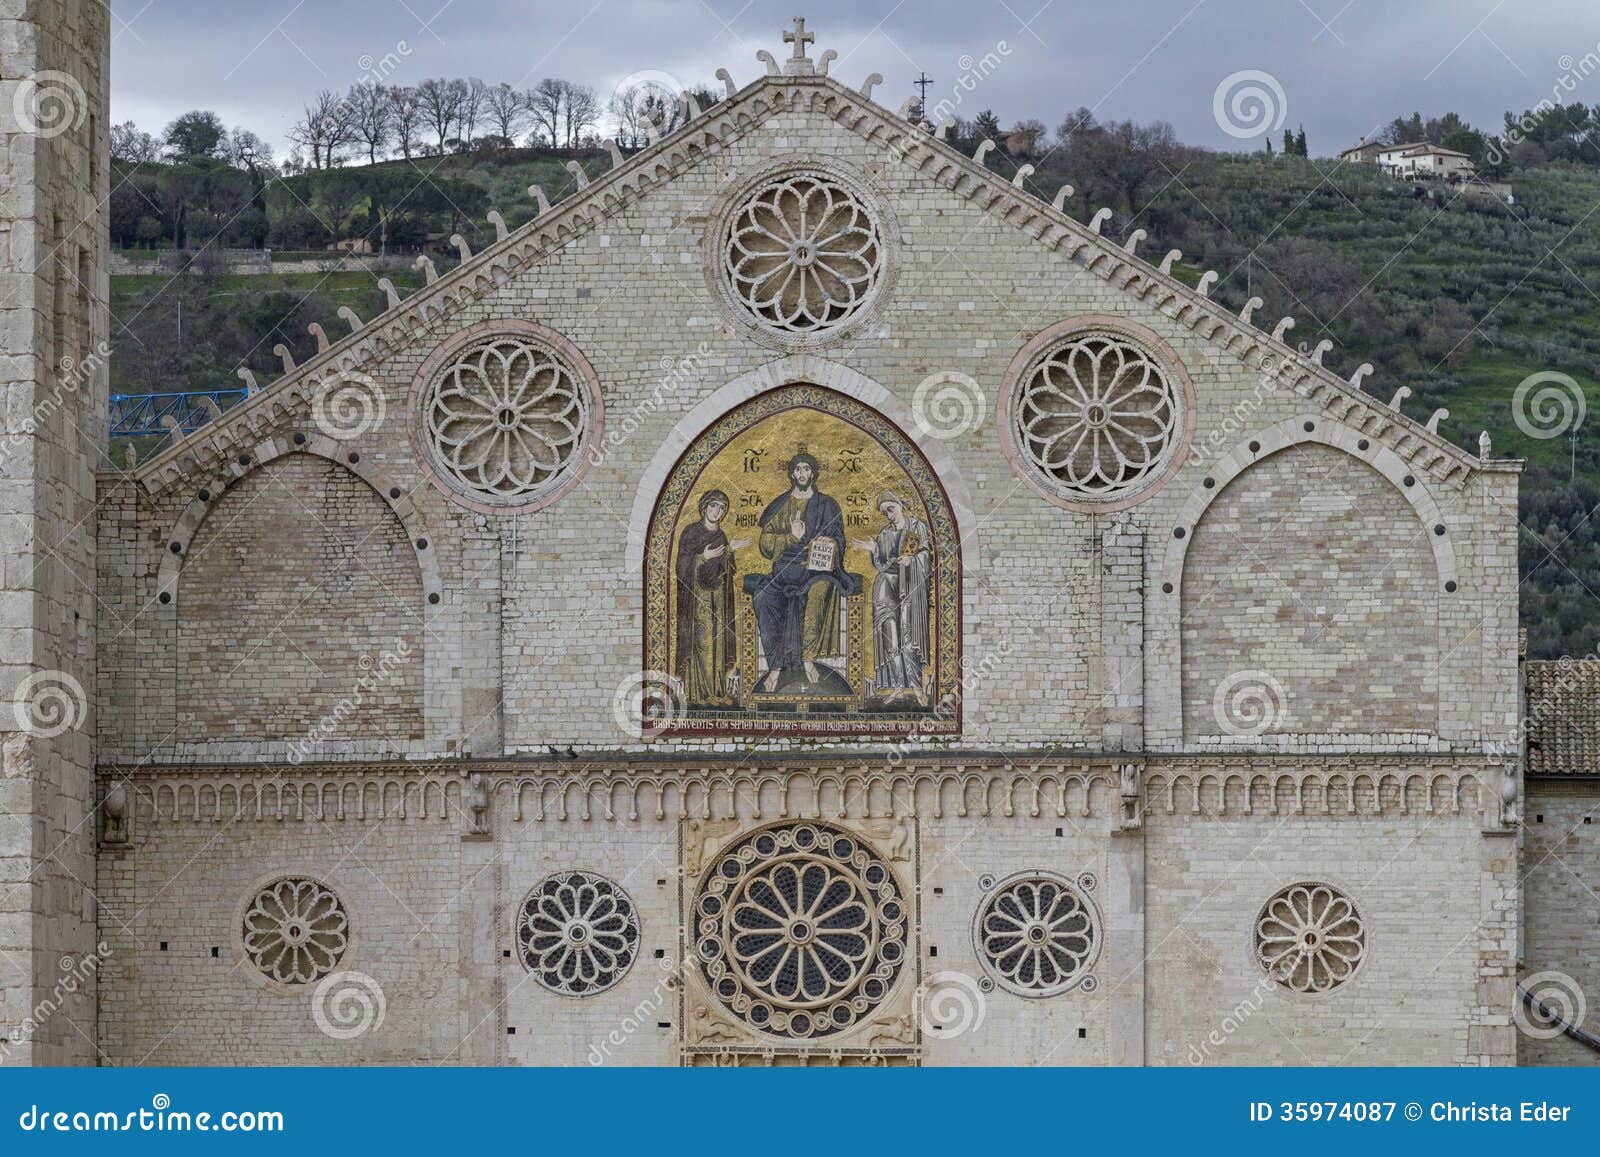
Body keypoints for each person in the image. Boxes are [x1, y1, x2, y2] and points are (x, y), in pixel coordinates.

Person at [747, 451, 860, 692]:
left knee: (818, 593)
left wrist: (832, 543)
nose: (802, 473)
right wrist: (790, 537)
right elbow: (765, 545)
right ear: (791, 473)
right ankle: (775, 667)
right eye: (798, 469)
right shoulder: (781, 504)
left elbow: (840, 539)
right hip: (785, 569)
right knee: (763, 596)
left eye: (806, 469)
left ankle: (808, 659)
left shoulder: (827, 505)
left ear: (813, 473)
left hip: (816, 570)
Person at [851, 491, 932, 705]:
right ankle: (897, 686)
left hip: (908, 585)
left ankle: (917, 688)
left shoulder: (915, 527)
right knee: (891, 639)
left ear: (899, 505)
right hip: (885, 586)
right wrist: (874, 549)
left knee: (908, 638)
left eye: (891, 509)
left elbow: (925, 554)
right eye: (885, 512)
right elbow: (881, 565)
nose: (889, 515)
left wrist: (912, 559)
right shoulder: (885, 533)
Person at [673, 490, 748, 706]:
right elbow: (681, 566)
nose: (717, 511)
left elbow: (723, 568)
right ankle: (699, 694)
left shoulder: (721, 536)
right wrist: (701, 557)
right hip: (698, 599)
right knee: (703, 642)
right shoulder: (691, 532)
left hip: (719, 597)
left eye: (722, 508)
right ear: (704, 507)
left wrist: (730, 550)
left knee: (718, 642)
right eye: (713, 506)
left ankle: (717, 691)